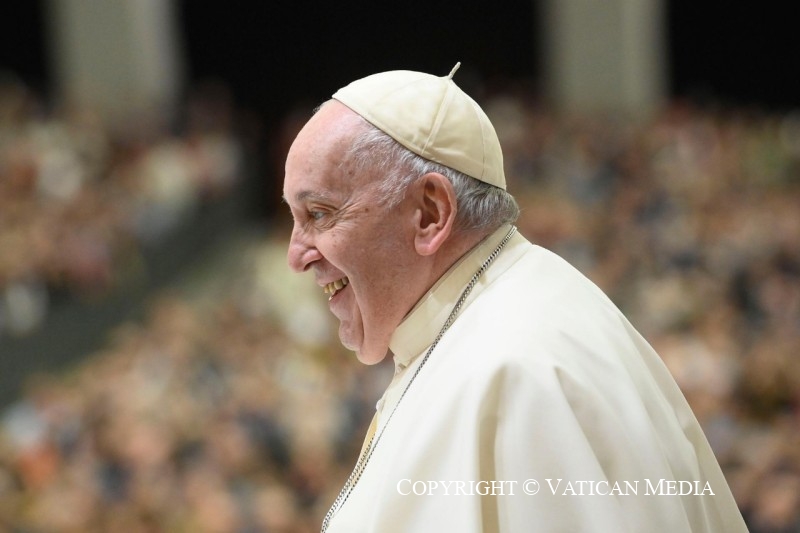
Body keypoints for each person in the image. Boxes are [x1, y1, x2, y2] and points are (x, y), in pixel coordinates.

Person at [282, 64, 748, 532]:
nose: (296, 256)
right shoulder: (500, 317)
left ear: (429, 213)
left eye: (319, 213)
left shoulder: (517, 371)